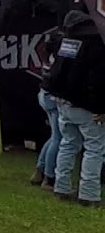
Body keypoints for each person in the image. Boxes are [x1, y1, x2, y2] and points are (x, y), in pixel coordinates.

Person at [41, 10, 105, 206]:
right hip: (86, 105)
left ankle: (61, 186)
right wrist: (100, 107)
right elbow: (98, 79)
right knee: (94, 149)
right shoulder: (97, 43)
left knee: (67, 145)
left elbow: (57, 73)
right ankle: (89, 194)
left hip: (63, 102)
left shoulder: (68, 42)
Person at [31, 24, 66, 189]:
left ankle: (40, 170)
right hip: (53, 97)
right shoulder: (60, 58)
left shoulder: (49, 55)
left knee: (54, 137)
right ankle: (49, 177)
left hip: (45, 94)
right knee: (58, 139)